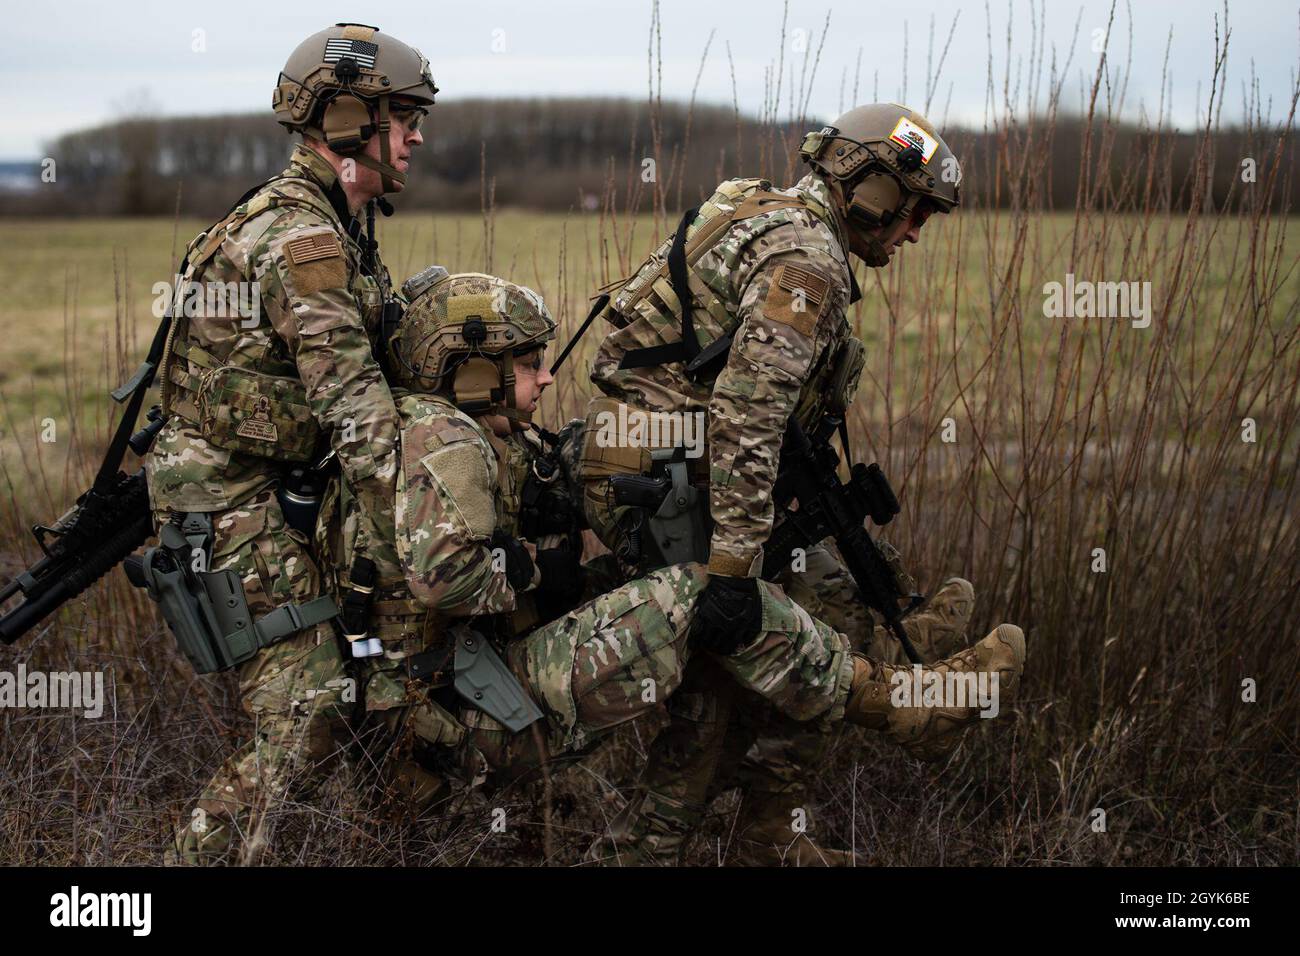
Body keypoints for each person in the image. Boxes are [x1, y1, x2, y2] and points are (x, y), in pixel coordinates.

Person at [322, 271, 1026, 836]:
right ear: (467, 370)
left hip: (462, 691)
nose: (542, 380)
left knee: (654, 580)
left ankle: (876, 661)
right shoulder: (440, 439)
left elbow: (543, 484)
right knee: (695, 593)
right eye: (529, 365)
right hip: (460, 722)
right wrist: (543, 569)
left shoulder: (460, 431)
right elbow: (448, 580)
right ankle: (895, 702)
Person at [572, 104, 978, 864]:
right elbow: (747, 416)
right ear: (872, 189)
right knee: (743, 664)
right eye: (915, 210)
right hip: (665, 478)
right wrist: (732, 566)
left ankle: (769, 837)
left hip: (666, 466)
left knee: (801, 629)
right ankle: (673, 850)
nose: (917, 232)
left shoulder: (764, 208)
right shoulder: (809, 262)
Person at [143, 23, 437, 864]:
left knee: (363, 686)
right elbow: (356, 412)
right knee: (308, 708)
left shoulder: (336, 223)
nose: (416, 135)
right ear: (347, 120)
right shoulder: (302, 239)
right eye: (403, 116)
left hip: (275, 491)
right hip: (230, 502)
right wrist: (429, 534)